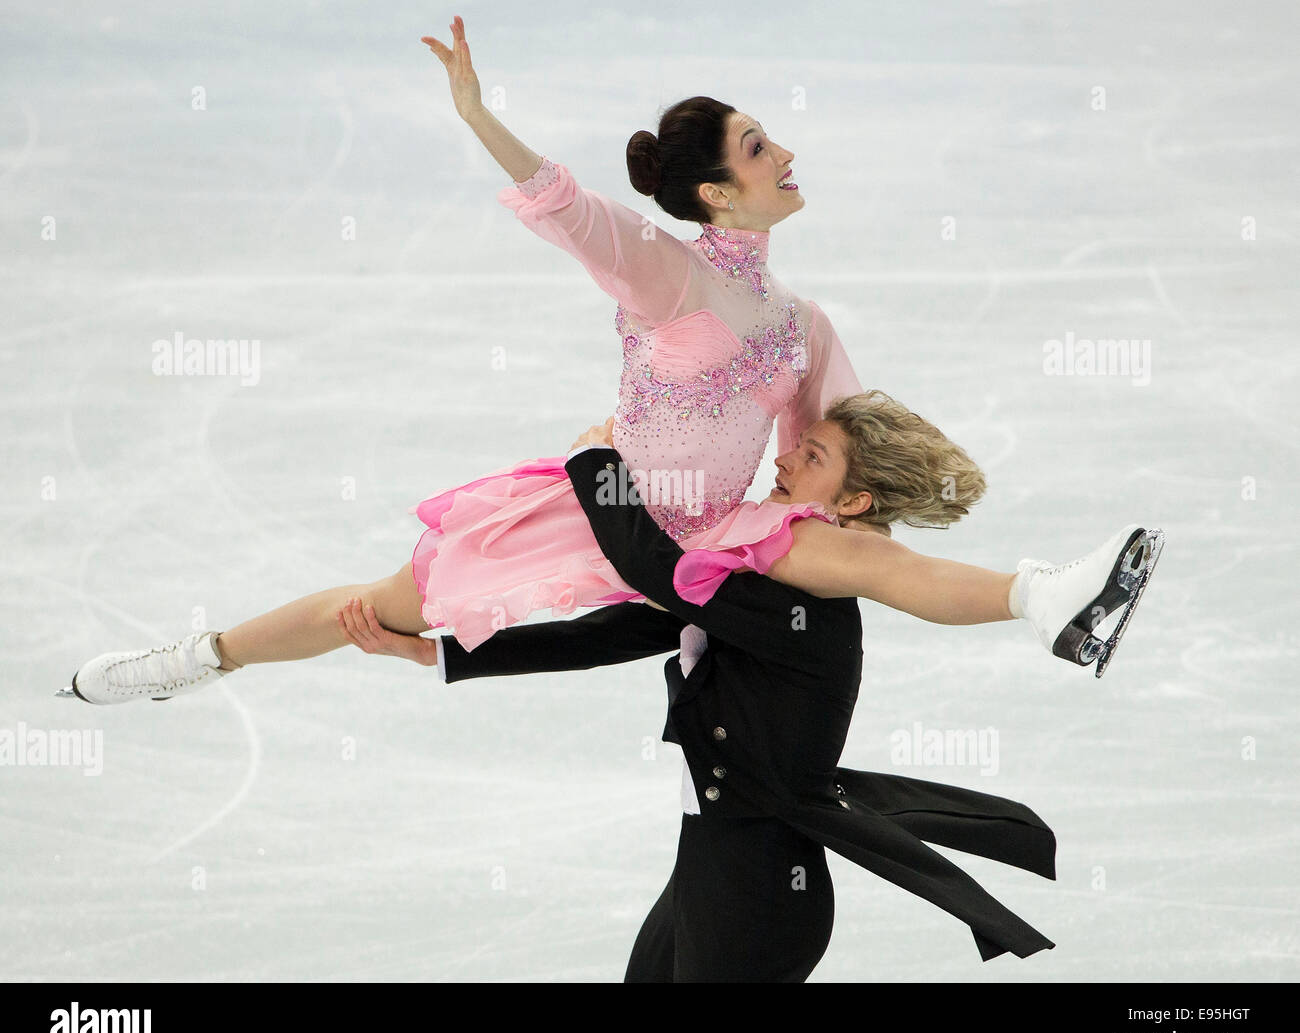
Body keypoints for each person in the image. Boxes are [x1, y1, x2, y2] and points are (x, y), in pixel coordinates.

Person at [57, 17, 1162, 705]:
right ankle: (202, 658)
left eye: (771, 138)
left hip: (720, 534)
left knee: (870, 566)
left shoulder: (800, 320)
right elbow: (568, 209)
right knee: (389, 608)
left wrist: (867, 511)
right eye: (758, 147)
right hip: (608, 510)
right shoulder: (667, 277)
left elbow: (840, 445)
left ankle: (1048, 600)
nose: (784, 153)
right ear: (717, 194)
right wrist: (480, 115)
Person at [336, 414, 1059, 980]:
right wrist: (435, 652)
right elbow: (603, 637)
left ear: (852, 502)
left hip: (756, 896)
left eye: (811, 458)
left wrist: (598, 469)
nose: (782, 459)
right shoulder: (765, 586)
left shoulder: (797, 604)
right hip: (716, 872)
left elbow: (653, 569)